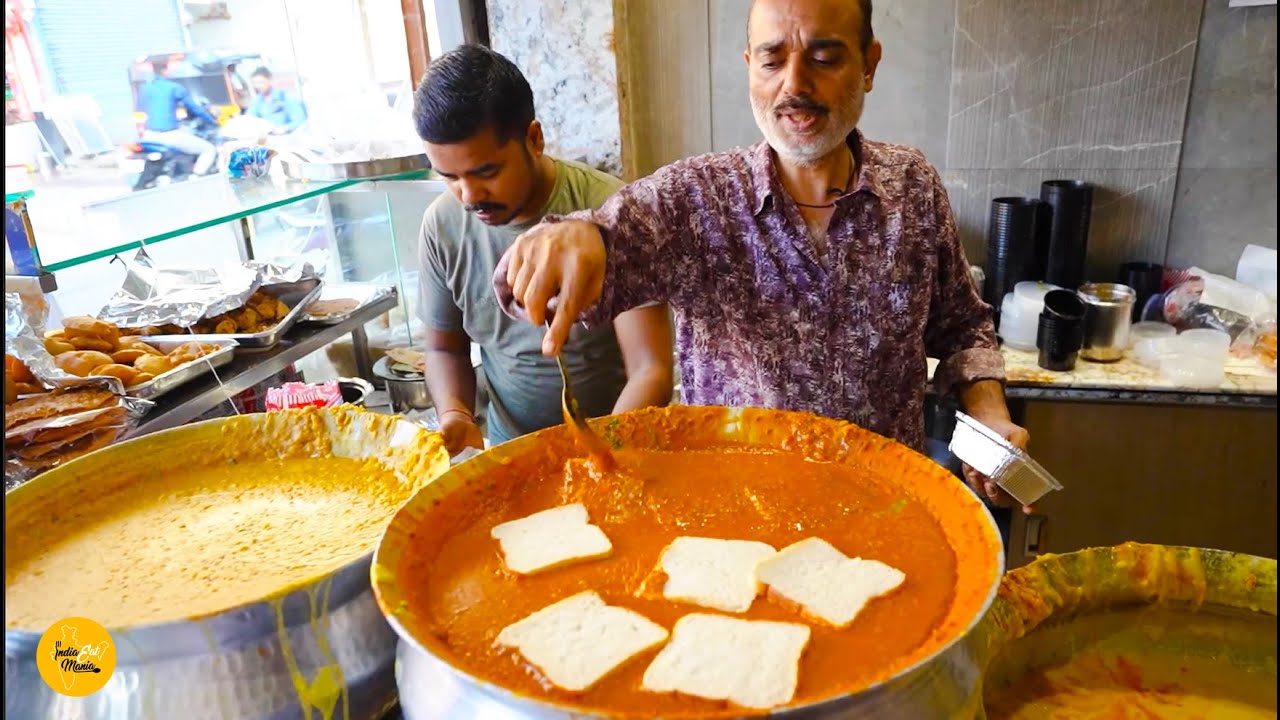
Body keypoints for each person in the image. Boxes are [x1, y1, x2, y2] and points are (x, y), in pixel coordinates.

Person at [496, 0, 1033, 511]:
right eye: (773, 60)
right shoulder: (697, 198)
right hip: (738, 524)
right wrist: (573, 237)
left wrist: (991, 418)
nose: (794, 85)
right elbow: (610, 238)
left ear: (869, 64)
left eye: (824, 58)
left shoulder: (913, 187)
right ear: (750, 65)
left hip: (884, 513)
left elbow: (963, 329)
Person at [412, 44, 674, 456]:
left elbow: (651, 369)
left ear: (534, 139)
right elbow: (444, 348)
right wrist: (456, 413)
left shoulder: (611, 215)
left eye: (487, 172)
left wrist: (603, 454)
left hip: (619, 448)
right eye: (450, 177)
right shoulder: (442, 226)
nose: (468, 195)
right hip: (511, 451)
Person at [137, 57, 219, 175]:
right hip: (169, 135)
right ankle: (197, 177)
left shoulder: (145, 88)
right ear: (166, 70)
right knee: (209, 149)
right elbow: (195, 109)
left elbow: (141, 108)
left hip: (148, 134)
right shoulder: (174, 88)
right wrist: (212, 121)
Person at [245, 67, 307, 134]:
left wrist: (285, 128)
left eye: (261, 82)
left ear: (270, 80)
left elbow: (300, 120)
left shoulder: (286, 97)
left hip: (288, 137)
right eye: (255, 83)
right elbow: (250, 118)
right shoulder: (257, 100)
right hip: (266, 137)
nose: (258, 86)